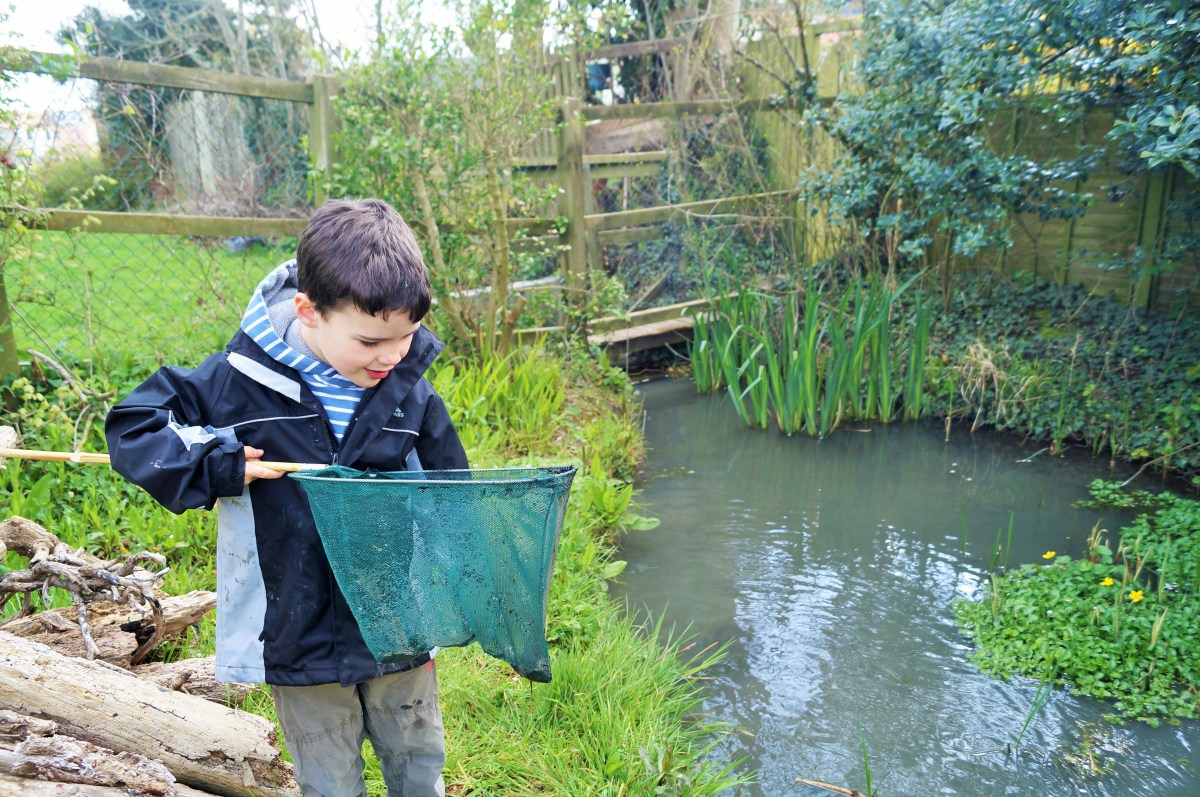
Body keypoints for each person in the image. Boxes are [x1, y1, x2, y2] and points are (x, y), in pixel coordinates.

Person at [105, 198, 468, 797]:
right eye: (372, 340)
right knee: (328, 775)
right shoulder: (235, 382)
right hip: (296, 626)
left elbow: (450, 489)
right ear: (309, 311)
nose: (393, 356)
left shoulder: (410, 390)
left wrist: (451, 573)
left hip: (397, 618)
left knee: (418, 754)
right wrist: (213, 462)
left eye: (406, 338)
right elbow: (134, 427)